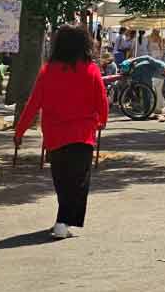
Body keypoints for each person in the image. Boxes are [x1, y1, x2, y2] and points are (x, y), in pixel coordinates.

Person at [13, 24, 109, 239]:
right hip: (83, 134)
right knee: (78, 181)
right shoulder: (91, 69)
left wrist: (19, 131)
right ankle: (62, 222)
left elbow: (33, 104)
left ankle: (62, 220)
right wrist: (103, 120)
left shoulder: (47, 71)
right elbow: (101, 100)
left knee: (62, 181)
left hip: (55, 135)